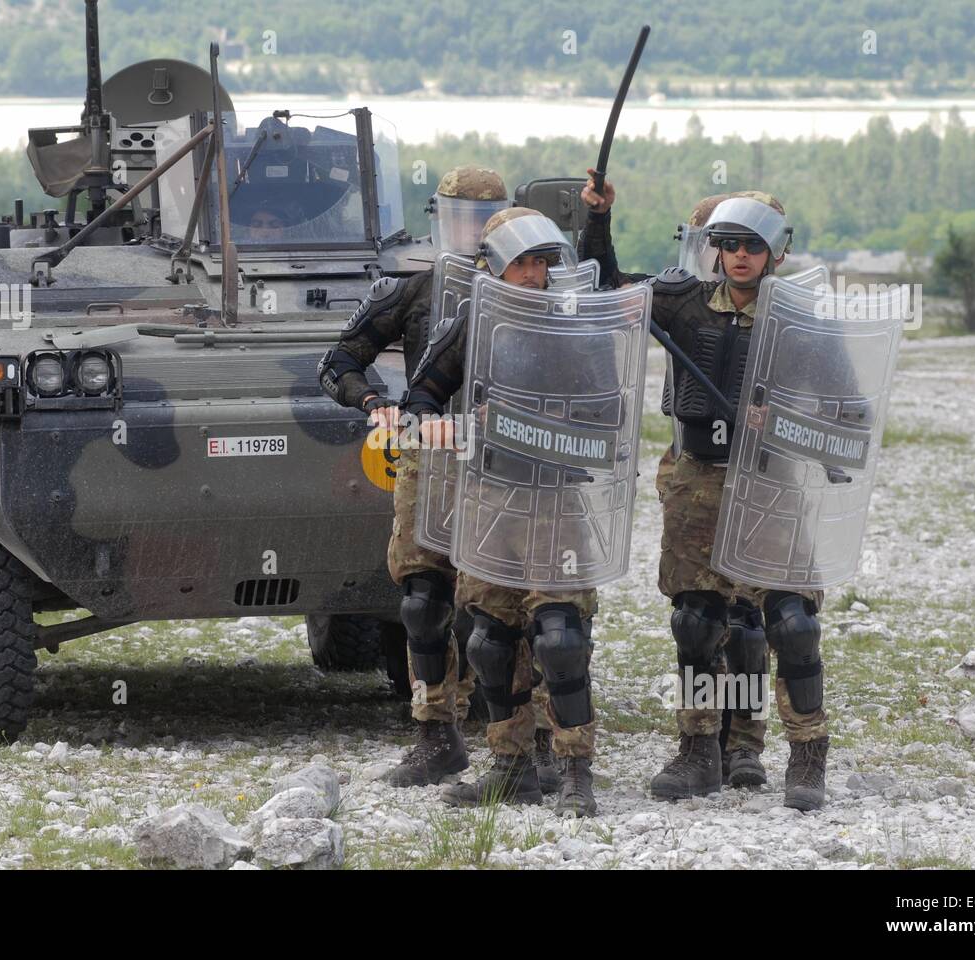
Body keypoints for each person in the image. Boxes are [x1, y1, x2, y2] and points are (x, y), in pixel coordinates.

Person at [578, 176, 831, 811]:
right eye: (729, 244)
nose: (741, 255)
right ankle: (698, 750)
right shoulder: (683, 303)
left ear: (775, 251)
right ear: (714, 248)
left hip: (770, 479)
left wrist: (784, 419)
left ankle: (807, 754)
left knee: (791, 621)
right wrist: (600, 218)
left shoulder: (799, 318)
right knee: (696, 620)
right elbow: (606, 285)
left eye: (753, 245)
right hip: (697, 475)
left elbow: (846, 407)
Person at [318, 169, 564, 792]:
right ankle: (435, 733)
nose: (475, 230)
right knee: (423, 602)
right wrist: (375, 402)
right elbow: (338, 360)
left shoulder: (549, 291)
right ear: (439, 219)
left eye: (488, 217)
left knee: (517, 608)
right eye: (461, 217)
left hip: (512, 467)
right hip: (432, 463)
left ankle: (534, 743)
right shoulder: (415, 288)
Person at [406, 207, 602, 817]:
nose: (532, 273)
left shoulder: (576, 328)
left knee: (560, 638)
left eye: (542, 262)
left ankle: (575, 771)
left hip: (555, 497)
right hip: (490, 495)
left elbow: (610, 414)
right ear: (494, 267)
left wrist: (557, 422)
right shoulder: (474, 325)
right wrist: (467, 425)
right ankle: (511, 766)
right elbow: (419, 399)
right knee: (489, 639)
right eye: (520, 261)